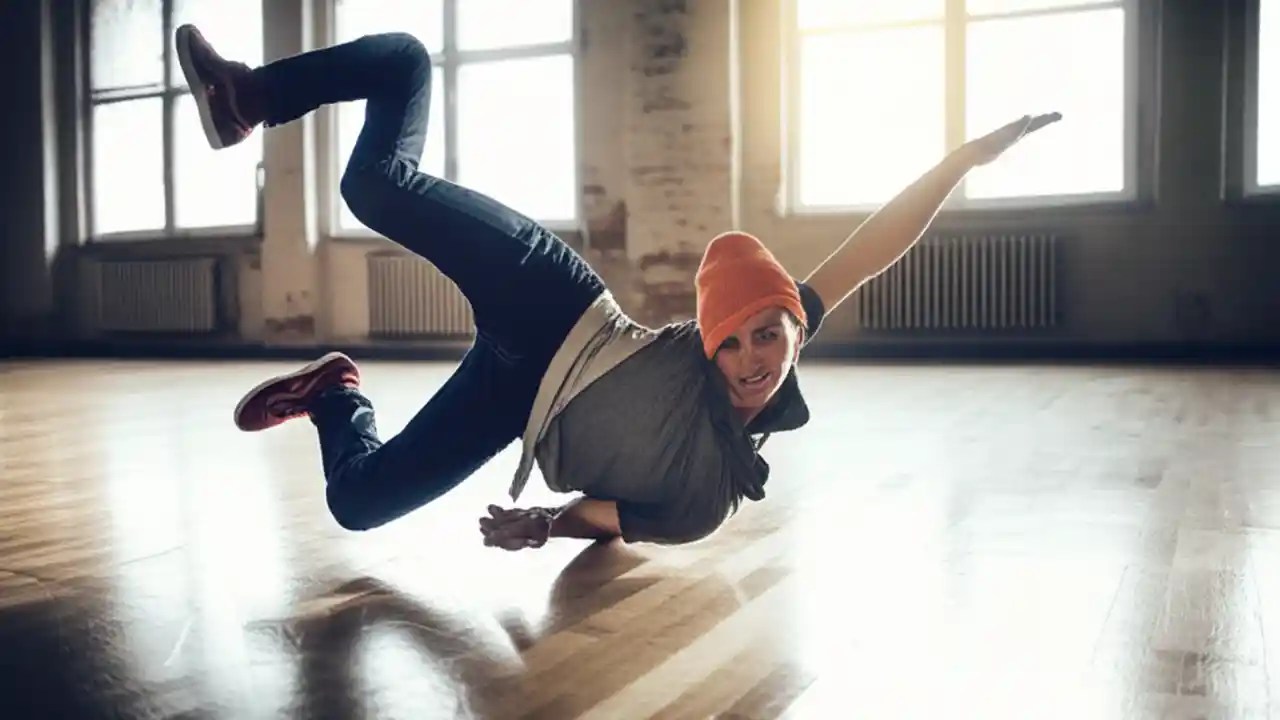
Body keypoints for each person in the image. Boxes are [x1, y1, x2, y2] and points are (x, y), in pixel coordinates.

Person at [176, 25, 1060, 551]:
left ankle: (334, 395)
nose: (751, 359)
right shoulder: (706, 365)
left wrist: (545, 526)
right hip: (551, 303)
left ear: (796, 335)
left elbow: (610, 515)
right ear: (705, 335)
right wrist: (962, 161)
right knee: (372, 184)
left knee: (357, 504)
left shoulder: (706, 500)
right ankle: (255, 94)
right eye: (735, 336)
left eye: (769, 336)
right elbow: (876, 245)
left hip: (516, 402)